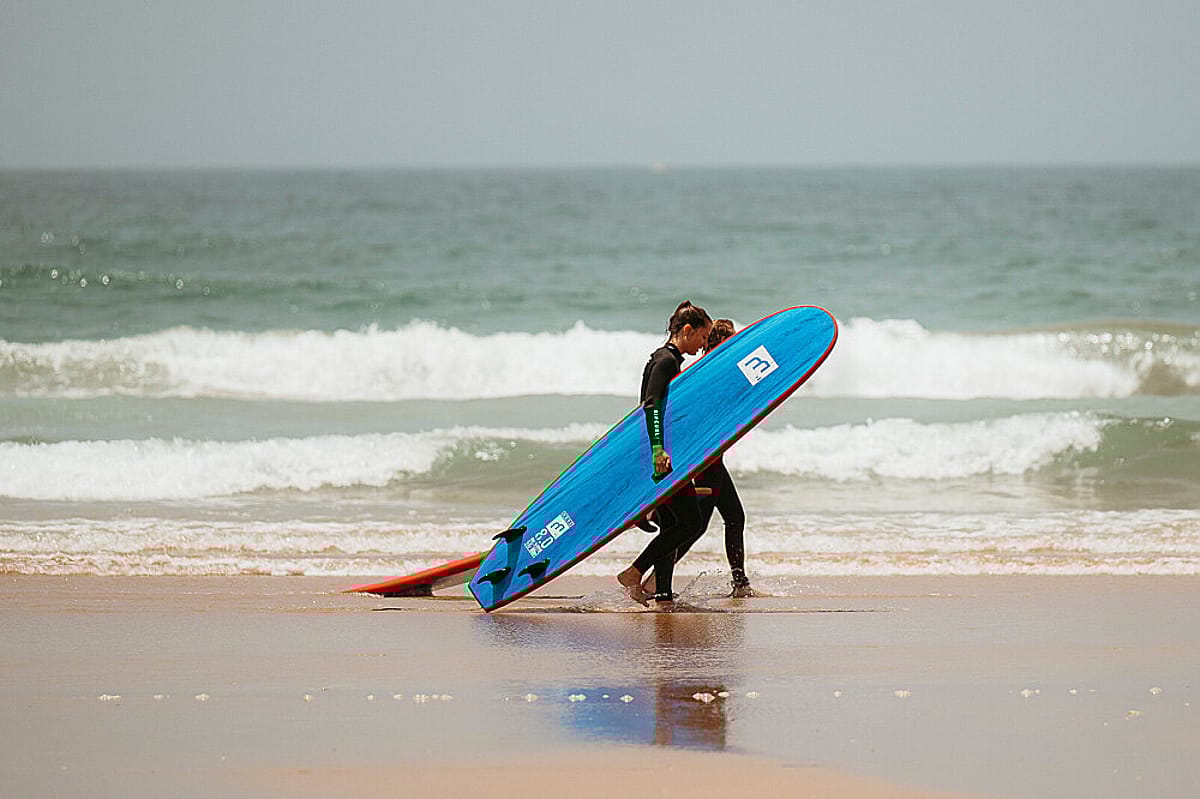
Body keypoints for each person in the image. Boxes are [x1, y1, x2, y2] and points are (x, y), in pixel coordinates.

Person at [638, 319, 753, 599]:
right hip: (706, 461)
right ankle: (656, 583)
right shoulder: (707, 375)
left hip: (713, 459)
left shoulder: (719, 373)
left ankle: (739, 583)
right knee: (692, 524)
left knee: (731, 517)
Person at [617, 300, 712, 607]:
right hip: (659, 456)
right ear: (687, 330)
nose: (702, 345)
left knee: (673, 525)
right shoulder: (666, 361)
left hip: (659, 453)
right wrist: (659, 449)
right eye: (701, 337)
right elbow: (651, 405)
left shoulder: (669, 360)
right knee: (691, 522)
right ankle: (635, 571)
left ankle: (663, 594)